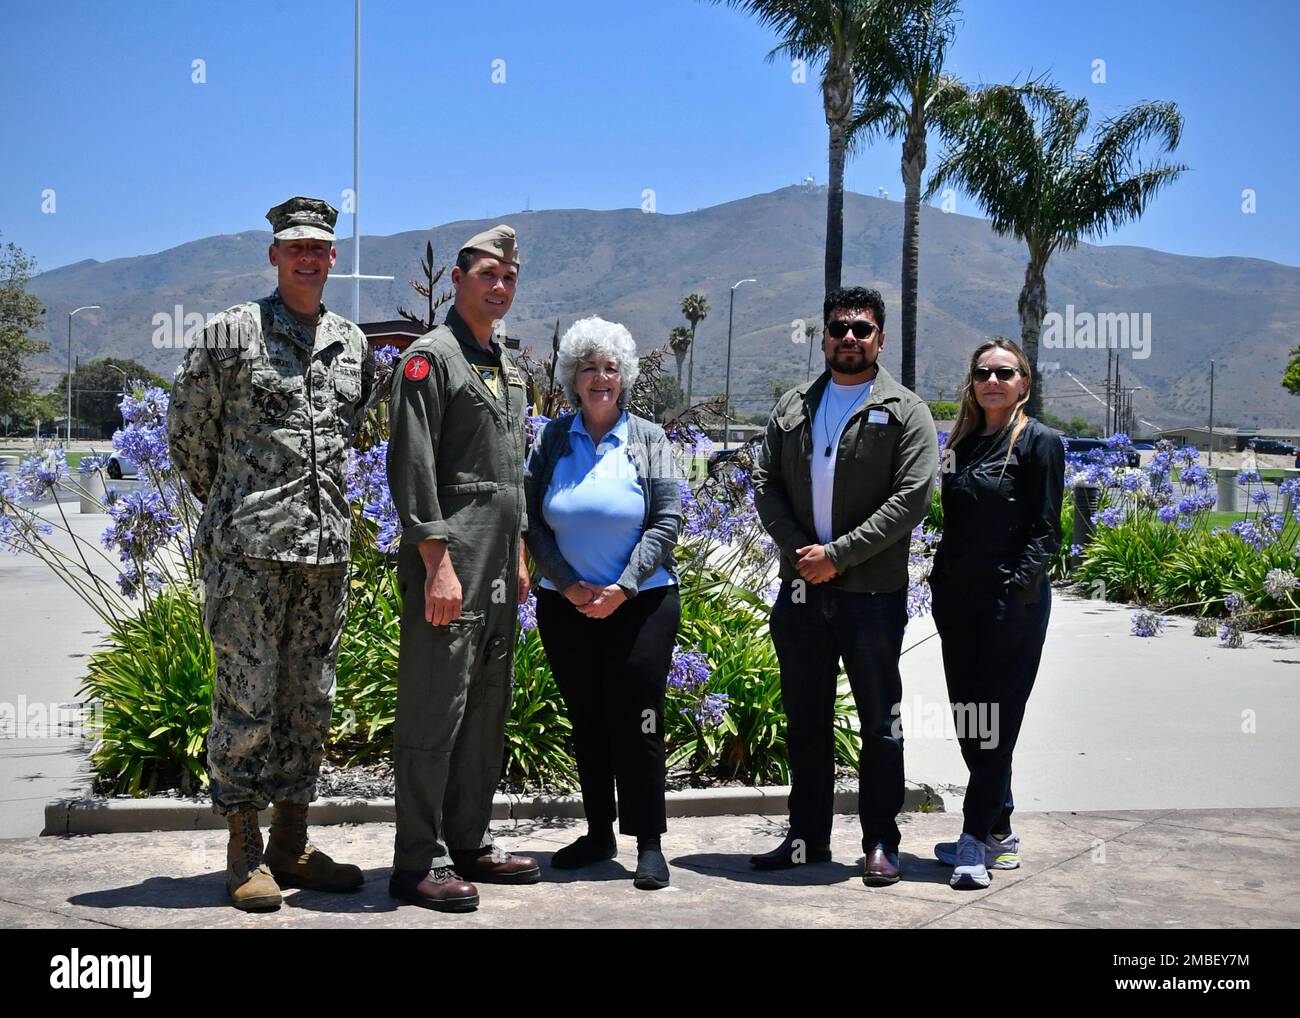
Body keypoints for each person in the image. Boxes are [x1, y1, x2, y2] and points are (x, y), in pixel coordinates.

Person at [167, 196, 375, 911]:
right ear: (274, 255)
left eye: (319, 247)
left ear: (333, 258)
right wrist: (235, 509)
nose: (307, 257)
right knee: (247, 701)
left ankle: (292, 840)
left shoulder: (353, 344)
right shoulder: (231, 334)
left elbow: (353, 439)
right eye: (295, 247)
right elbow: (189, 433)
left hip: (324, 558)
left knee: (309, 701)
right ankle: (244, 853)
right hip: (247, 557)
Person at [751, 286, 937, 886]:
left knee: (881, 720)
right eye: (838, 329)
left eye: (861, 329)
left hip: (873, 595)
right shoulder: (792, 408)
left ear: (880, 339)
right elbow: (765, 484)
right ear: (824, 337)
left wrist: (839, 555)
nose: (849, 339)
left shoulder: (907, 411)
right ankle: (805, 838)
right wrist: (803, 556)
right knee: (806, 720)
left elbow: (911, 499)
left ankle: (881, 841)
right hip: (802, 592)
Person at [386, 225, 539, 912]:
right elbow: (413, 467)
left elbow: (511, 475)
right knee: (434, 708)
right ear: (457, 278)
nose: (499, 286)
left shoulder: (506, 365)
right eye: (487, 274)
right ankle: (419, 859)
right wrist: (436, 564)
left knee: (484, 709)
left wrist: (521, 552)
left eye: (508, 276)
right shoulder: (431, 359)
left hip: (500, 566)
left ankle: (470, 840)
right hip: (450, 563)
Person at [523, 317, 683, 891]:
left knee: (637, 718)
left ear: (624, 377)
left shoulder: (651, 440)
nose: (599, 377)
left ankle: (649, 841)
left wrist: (622, 588)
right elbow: (531, 520)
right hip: (565, 605)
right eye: (588, 366)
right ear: (572, 376)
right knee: (587, 719)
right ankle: (598, 832)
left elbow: (668, 520)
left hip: (641, 603)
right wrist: (567, 585)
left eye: (610, 367)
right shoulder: (550, 439)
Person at [928, 338, 1063, 889]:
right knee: (970, 721)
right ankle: (1000, 832)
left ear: (1024, 382)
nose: (993, 380)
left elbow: (1047, 530)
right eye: (983, 371)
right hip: (956, 603)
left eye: (1005, 372)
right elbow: (954, 523)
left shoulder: (1039, 442)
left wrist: (1014, 587)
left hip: (1013, 606)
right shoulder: (961, 441)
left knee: (996, 725)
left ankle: (970, 842)